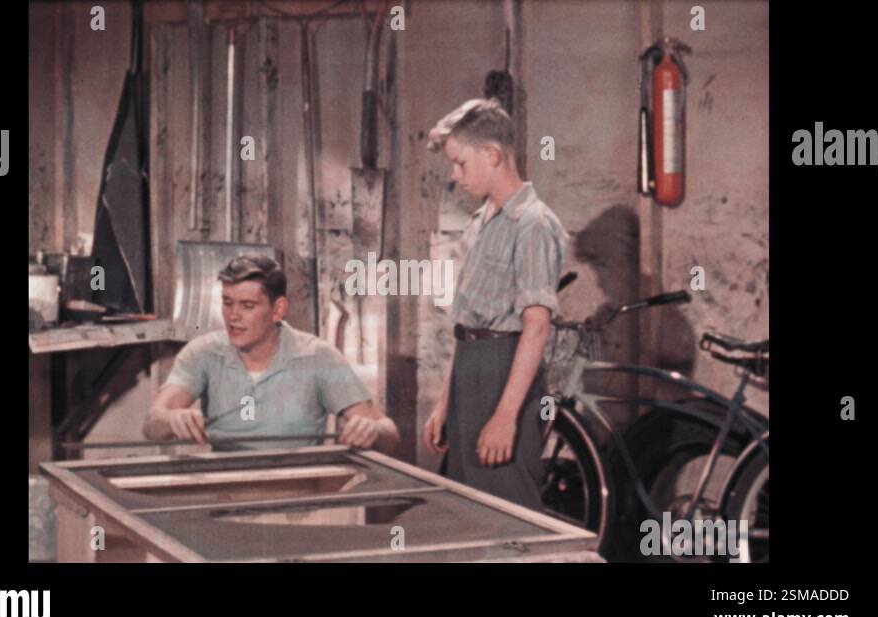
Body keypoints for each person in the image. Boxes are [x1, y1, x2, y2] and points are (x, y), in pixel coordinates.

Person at [422, 98, 569, 510]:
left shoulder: (533, 224)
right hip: (471, 365)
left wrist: (506, 416)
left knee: (506, 510)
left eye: (461, 163)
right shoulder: (480, 221)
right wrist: (445, 401)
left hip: (505, 370)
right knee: (463, 507)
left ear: (492, 154)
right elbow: (466, 327)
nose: (455, 175)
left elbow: (536, 327)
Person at [143, 254, 399, 453]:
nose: (233, 316)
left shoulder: (318, 357)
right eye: (227, 302)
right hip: (225, 491)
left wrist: (373, 430)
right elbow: (152, 425)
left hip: (301, 496)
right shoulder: (203, 353)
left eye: (248, 306)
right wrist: (171, 419)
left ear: (278, 310)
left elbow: (390, 435)